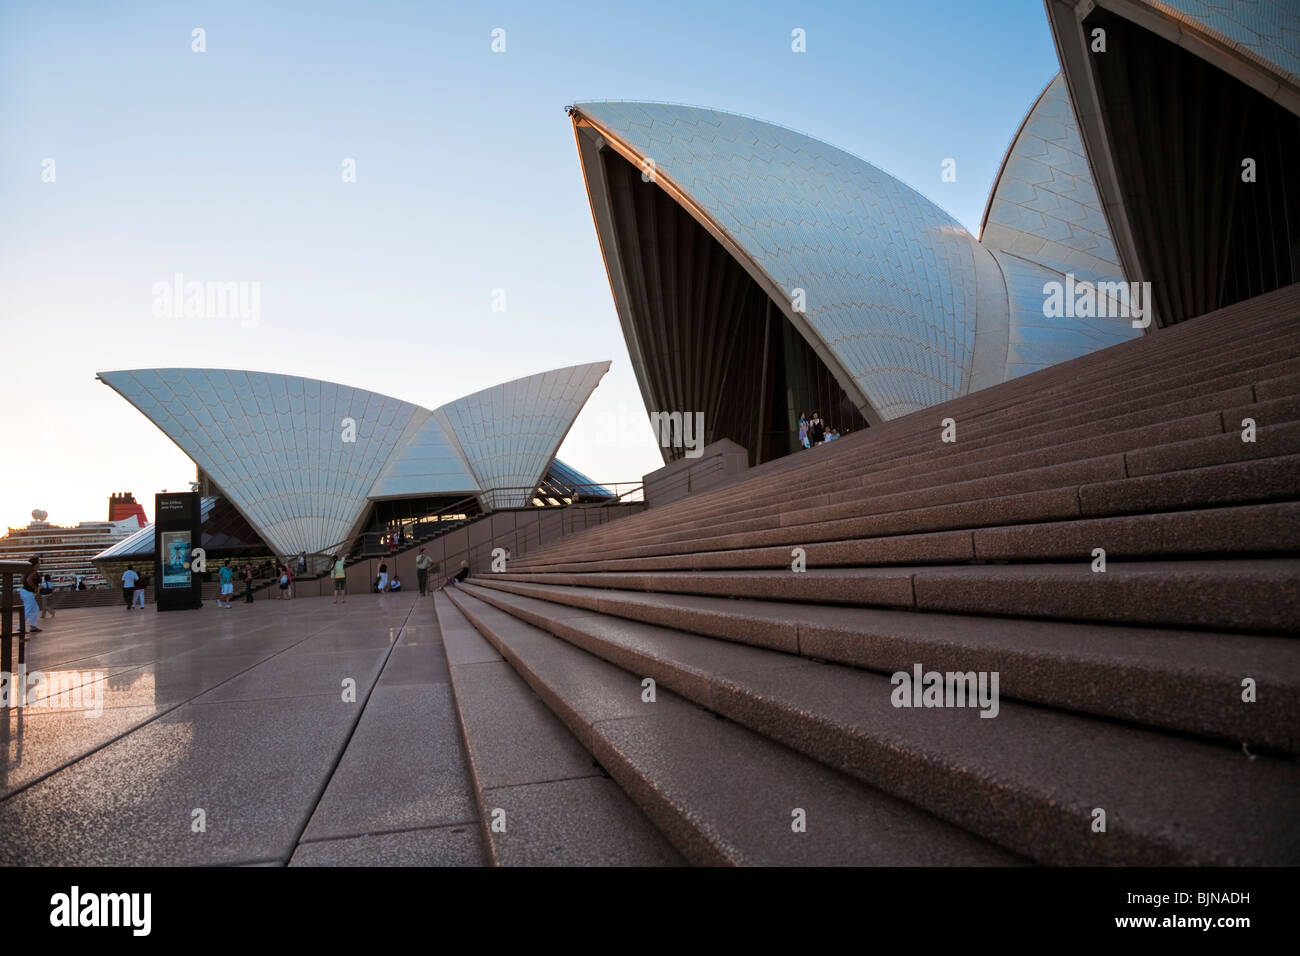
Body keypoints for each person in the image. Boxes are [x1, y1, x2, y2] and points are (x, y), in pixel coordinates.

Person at [20, 557, 43, 635]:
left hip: (25, 592)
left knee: (35, 608)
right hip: (28, 593)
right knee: (28, 609)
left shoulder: (28, 571)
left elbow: (22, 580)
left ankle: (32, 627)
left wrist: (27, 586)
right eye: (39, 562)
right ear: (36, 563)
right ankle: (20, 627)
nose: (40, 563)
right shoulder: (33, 572)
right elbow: (28, 580)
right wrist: (35, 588)